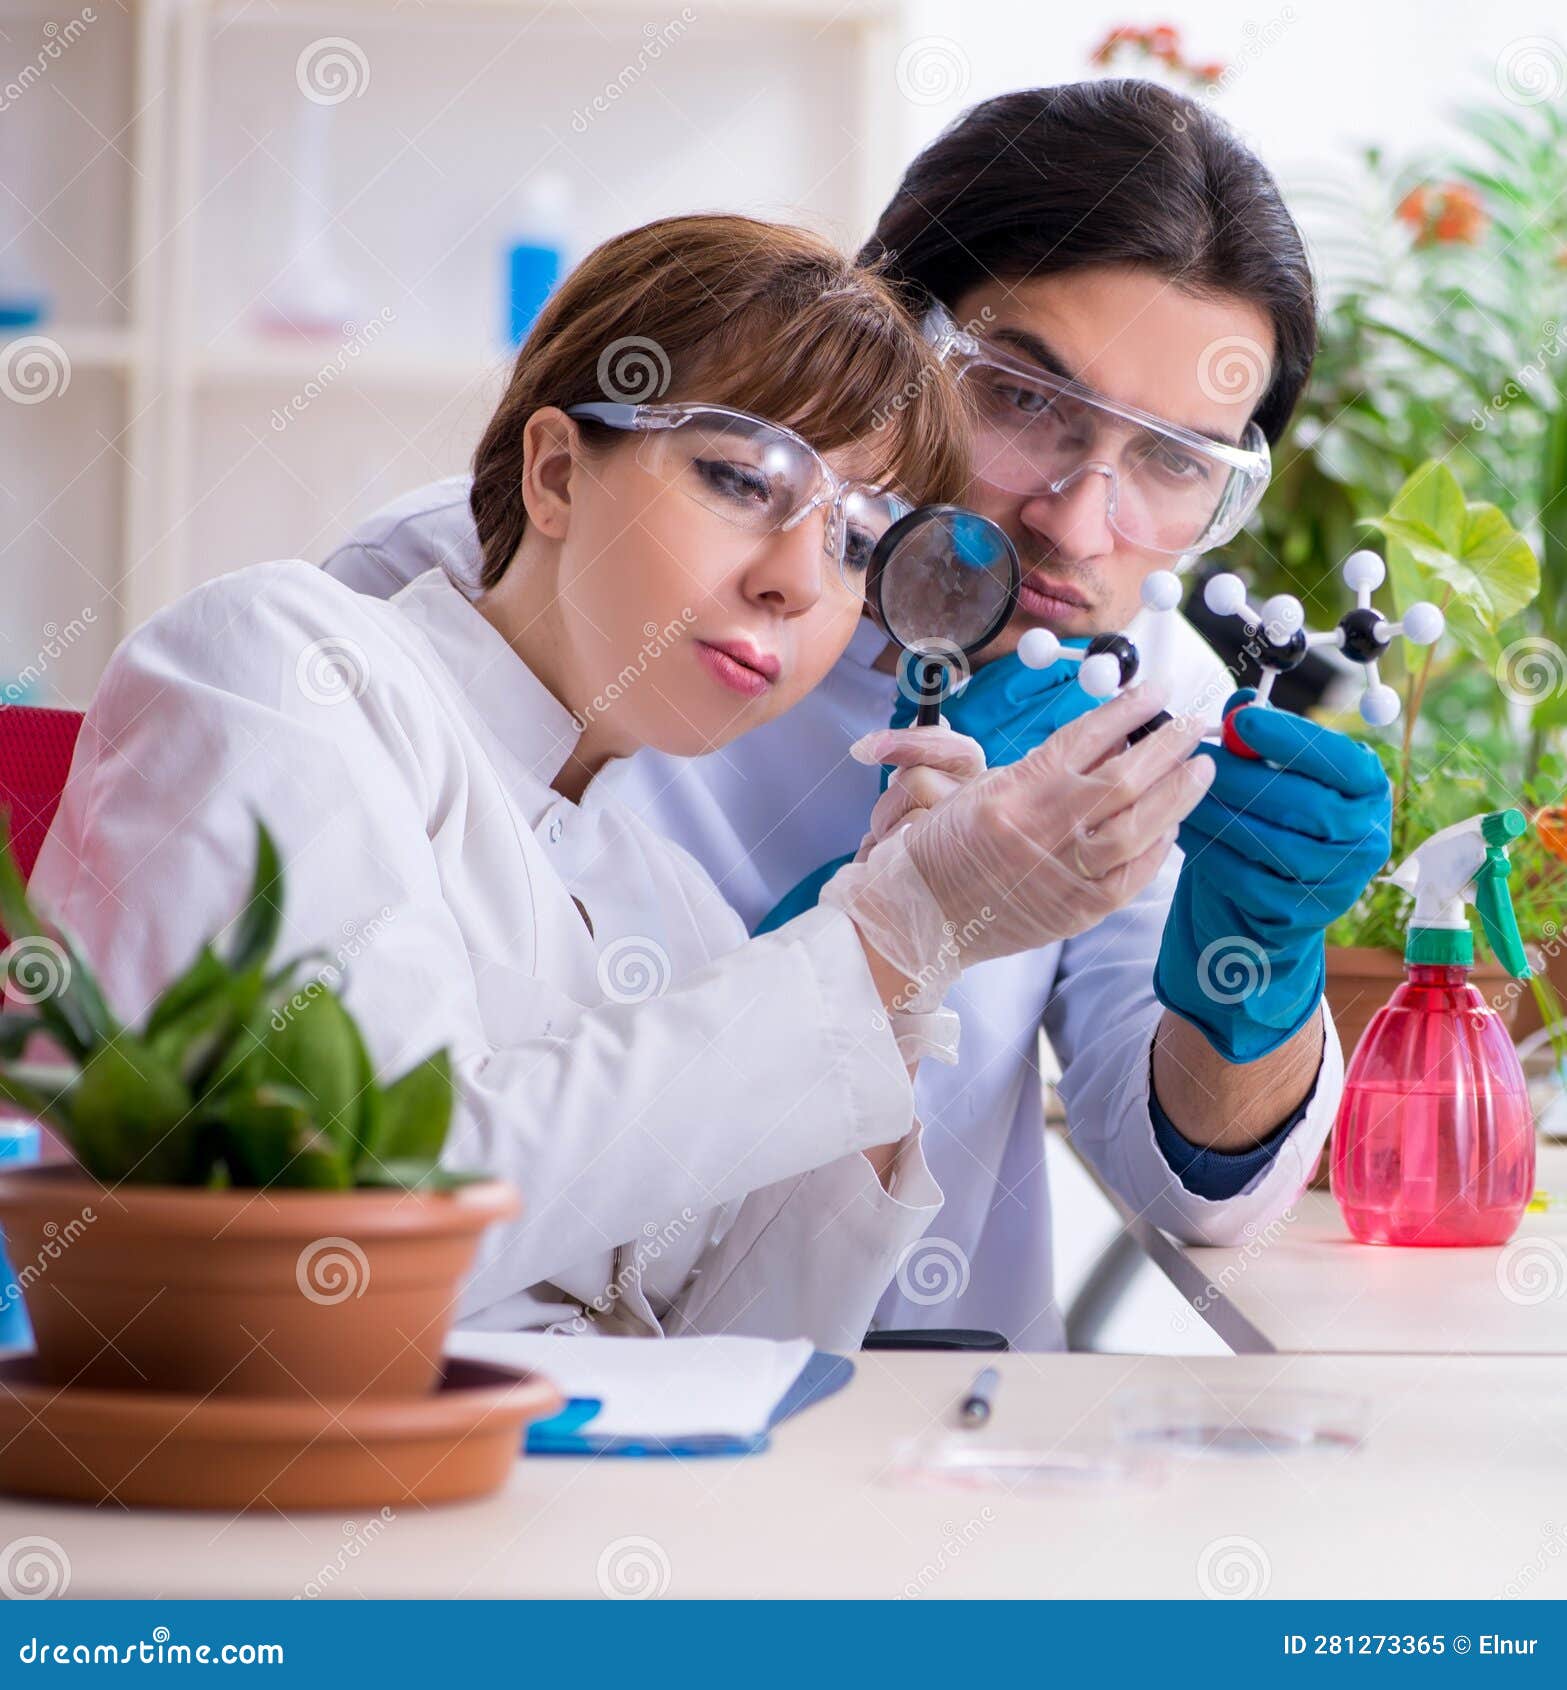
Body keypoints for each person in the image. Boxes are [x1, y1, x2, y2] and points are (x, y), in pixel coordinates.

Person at [322, 82, 1392, 1348]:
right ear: (893, 337)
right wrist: (896, 903)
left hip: (918, 1395)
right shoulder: (518, 578)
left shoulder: (1143, 690)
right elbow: (458, 1145)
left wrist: (1251, 973)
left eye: (1171, 460)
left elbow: (1194, 1189)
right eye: (1025, 400)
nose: (1076, 520)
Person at [31, 213, 1212, 1351]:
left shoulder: (661, 893)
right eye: (745, 481)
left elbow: (752, 1348)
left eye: (859, 538)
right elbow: (335, 1241)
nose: (800, 579)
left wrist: (906, 981)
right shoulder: (280, 665)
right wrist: (885, 939)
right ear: (553, 471)